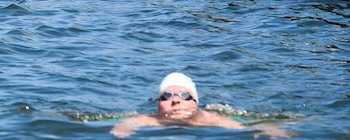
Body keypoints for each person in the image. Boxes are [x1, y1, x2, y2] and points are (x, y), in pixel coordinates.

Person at [110, 72, 278, 137]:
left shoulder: (210, 119)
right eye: (167, 96)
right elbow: (125, 125)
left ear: (196, 104)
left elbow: (248, 126)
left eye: (184, 95)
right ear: (158, 105)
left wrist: (267, 128)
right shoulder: (149, 120)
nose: (175, 100)